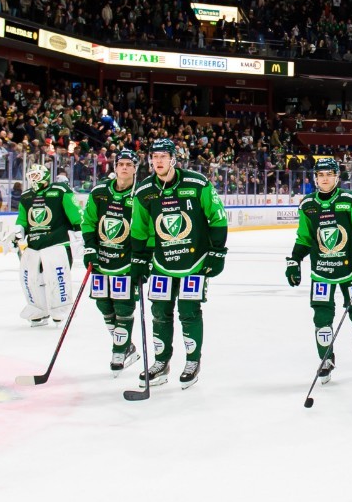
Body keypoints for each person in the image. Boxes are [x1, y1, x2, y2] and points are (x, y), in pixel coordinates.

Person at [129, 137, 229, 389]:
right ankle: (161, 362)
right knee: (160, 313)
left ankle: (192, 362)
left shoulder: (197, 183)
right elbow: (139, 229)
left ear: (174, 158)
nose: (158, 161)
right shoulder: (144, 190)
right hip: (161, 263)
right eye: (154, 156)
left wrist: (217, 252)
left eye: (163, 156)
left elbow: (217, 217)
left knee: (188, 312)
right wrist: (138, 258)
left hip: (194, 262)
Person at [285, 157, 352, 383]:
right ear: (315, 178)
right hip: (321, 272)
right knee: (322, 317)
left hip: (350, 271)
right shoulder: (308, 205)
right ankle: (326, 359)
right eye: (321, 175)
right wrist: (294, 260)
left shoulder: (350, 200)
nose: (325, 179)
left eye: (329, 174)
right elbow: (304, 237)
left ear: (337, 176)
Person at [80, 149, 141, 375]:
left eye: (128, 164)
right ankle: (127, 346)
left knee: (123, 305)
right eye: (121, 164)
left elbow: (147, 227)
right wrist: (89, 248)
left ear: (135, 168)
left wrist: (143, 258)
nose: (124, 167)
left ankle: (119, 350)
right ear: (115, 167)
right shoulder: (99, 192)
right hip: (101, 259)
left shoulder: (141, 195)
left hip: (126, 261)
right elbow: (88, 222)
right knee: (103, 304)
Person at [14, 162, 82, 327]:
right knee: (31, 279)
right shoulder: (27, 196)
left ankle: (59, 310)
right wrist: (17, 233)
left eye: (36, 175)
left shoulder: (60, 191)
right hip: (34, 245)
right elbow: (23, 219)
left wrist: (81, 232)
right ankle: (38, 309)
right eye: (31, 176)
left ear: (45, 176)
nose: (34, 179)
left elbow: (75, 214)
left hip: (57, 244)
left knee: (56, 278)